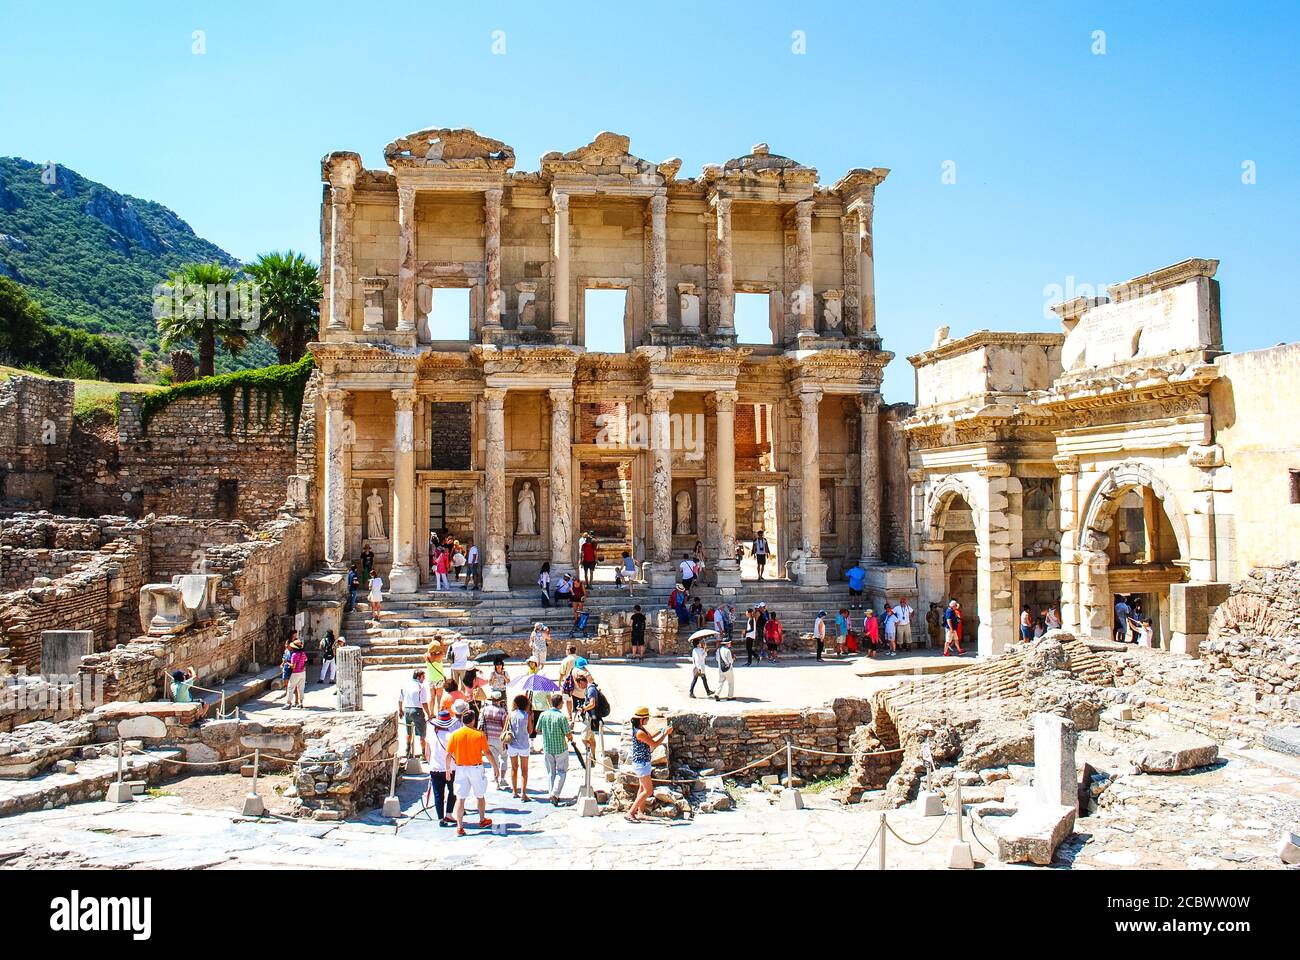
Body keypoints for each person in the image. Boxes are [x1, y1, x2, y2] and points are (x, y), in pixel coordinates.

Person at [447, 700, 497, 836]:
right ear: (473, 721)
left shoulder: (455, 735)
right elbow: (487, 753)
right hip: (475, 768)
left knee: (460, 798)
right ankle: (482, 819)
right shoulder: (479, 735)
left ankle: (459, 826)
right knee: (480, 795)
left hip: (460, 768)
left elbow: (448, 754)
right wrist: (495, 767)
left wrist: (447, 770)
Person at [626, 707, 672, 823]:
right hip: (641, 763)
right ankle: (631, 812)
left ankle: (640, 812)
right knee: (648, 790)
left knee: (642, 788)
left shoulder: (640, 729)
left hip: (644, 762)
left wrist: (661, 730)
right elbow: (654, 743)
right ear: (642, 719)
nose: (648, 720)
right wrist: (665, 734)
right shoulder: (640, 732)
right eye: (646, 718)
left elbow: (650, 737)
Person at [536, 693, 576, 805]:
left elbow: (537, 730)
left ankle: (551, 793)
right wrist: (571, 736)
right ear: (559, 704)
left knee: (550, 772)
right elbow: (568, 733)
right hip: (560, 748)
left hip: (548, 747)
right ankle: (555, 793)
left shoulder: (543, 715)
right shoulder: (561, 717)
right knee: (561, 772)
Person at [426, 708, 460, 826]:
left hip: (435, 768)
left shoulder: (431, 735)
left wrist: (430, 763)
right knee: (453, 791)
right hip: (451, 768)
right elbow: (454, 753)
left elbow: (427, 753)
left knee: (438, 794)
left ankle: (440, 818)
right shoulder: (451, 736)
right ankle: (449, 814)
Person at [479, 688, 509, 790]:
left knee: (494, 760)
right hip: (499, 738)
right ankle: (503, 779)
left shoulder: (484, 710)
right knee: (504, 757)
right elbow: (504, 725)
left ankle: (497, 782)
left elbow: (481, 724)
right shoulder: (502, 711)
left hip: (488, 738)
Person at [398, 668, 430, 760]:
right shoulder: (420, 687)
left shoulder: (405, 685)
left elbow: (400, 699)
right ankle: (423, 754)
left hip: (407, 710)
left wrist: (400, 710)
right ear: (419, 677)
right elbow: (424, 702)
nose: (424, 679)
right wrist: (429, 714)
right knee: (422, 734)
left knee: (409, 731)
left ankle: (407, 751)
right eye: (423, 677)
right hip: (417, 711)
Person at [284, 638, 308, 708]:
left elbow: (293, 666)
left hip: (295, 673)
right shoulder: (303, 653)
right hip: (302, 673)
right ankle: (301, 703)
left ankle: (288, 703)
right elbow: (306, 659)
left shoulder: (294, 655)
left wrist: (287, 663)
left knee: (290, 688)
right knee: (301, 688)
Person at [558, 643, 580, 714]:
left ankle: (570, 716)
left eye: (566, 649)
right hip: (579, 682)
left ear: (568, 651)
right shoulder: (580, 659)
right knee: (580, 699)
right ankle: (580, 714)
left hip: (568, 683)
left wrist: (559, 683)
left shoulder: (565, 660)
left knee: (569, 700)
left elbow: (562, 673)